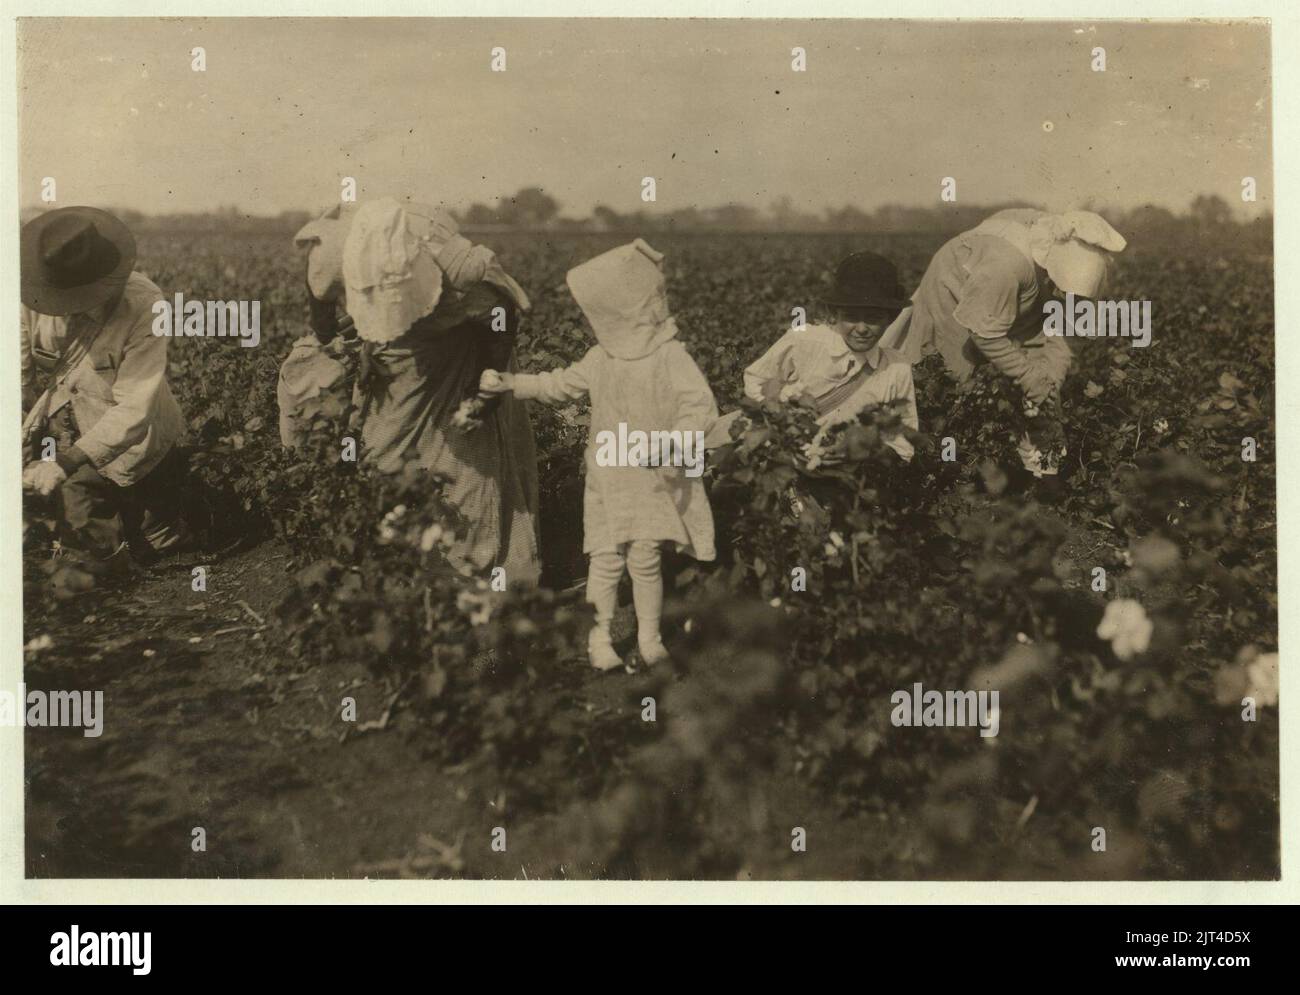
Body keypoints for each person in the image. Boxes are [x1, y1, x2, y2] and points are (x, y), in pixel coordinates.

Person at [478, 239, 717, 671]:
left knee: (644, 558)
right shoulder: (602, 357)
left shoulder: (669, 357)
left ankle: (649, 638)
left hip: (651, 476)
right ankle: (600, 641)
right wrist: (512, 383)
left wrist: (669, 443)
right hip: (606, 476)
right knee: (604, 560)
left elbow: (700, 409)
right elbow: (560, 385)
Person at [294, 198, 541, 584]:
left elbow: (501, 318)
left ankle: (473, 567)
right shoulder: (332, 252)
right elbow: (318, 293)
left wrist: (484, 389)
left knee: (469, 460)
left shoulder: (460, 271)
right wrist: (330, 339)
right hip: (393, 348)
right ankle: (395, 554)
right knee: (382, 443)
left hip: (459, 342)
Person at [883, 208, 1127, 480]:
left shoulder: (1078, 267)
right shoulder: (1006, 265)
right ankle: (928, 470)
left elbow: (1063, 340)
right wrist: (1028, 376)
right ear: (1051, 274)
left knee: (1040, 389)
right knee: (948, 378)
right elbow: (984, 335)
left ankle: (1042, 469)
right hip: (957, 283)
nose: (1070, 302)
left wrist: (1047, 387)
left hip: (1023, 289)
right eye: (1065, 295)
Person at [20, 206, 189, 575]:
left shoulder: (144, 305)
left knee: (155, 543)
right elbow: (16, 375)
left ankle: (152, 513)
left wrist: (64, 463)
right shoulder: (29, 296)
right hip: (63, 423)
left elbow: (133, 409)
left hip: (133, 435)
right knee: (87, 537)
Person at [743, 251, 918, 463]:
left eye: (872, 319)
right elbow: (756, 380)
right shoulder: (804, 341)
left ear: (890, 319)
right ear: (834, 314)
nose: (861, 328)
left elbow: (902, 442)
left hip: (850, 473)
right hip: (787, 458)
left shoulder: (896, 367)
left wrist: (859, 455)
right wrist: (778, 419)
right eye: (851, 317)